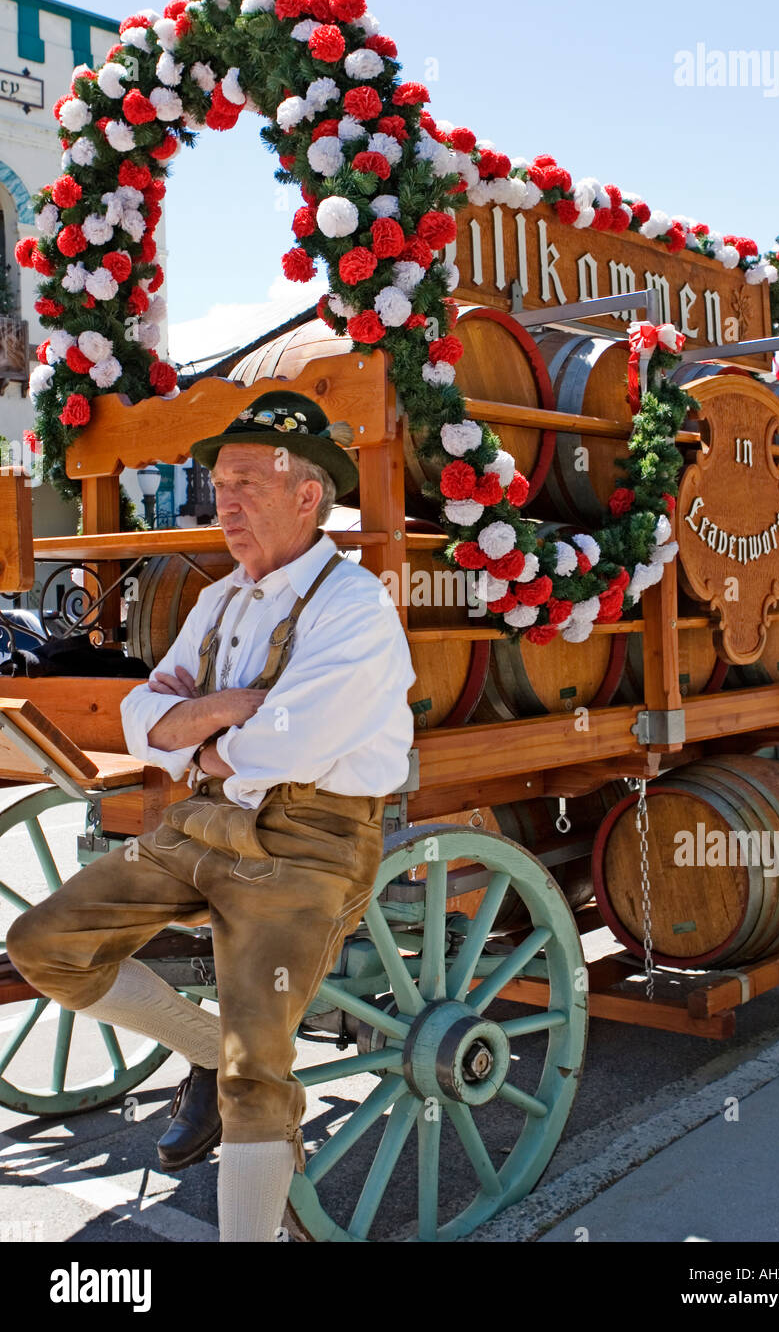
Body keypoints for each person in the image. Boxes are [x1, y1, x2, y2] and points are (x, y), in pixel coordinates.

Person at [7, 389, 417, 1242]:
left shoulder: (355, 607)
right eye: (219, 486)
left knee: (254, 1078)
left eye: (245, 485)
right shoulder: (221, 599)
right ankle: (204, 1042)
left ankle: (244, 1138)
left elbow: (290, 745)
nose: (224, 504)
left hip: (311, 840)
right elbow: (142, 716)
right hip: (205, 821)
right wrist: (227, 712)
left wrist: (197, 734)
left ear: (307, 494)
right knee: (44, 945)